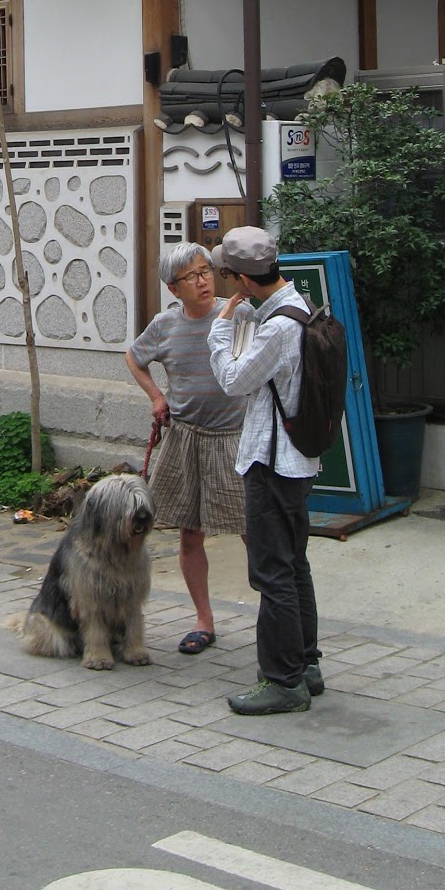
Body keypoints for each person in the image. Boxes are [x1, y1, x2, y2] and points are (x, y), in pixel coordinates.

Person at [207, 225, 323, 716]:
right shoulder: (300, 307)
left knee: (271, 572)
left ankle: (283, 681)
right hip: (297, 461)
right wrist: (246, 314)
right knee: (293, 565)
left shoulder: (279, 328)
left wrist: (220, 331)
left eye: (228, 275)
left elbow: (235, 379)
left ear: (242, 279)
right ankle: (305, 665)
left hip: (271, 463)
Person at [125, 242, 246, 656]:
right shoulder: (165, 326)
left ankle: (274, 616)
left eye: (206, 271)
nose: (202, 281)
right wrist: (156, 397)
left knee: (253, 530)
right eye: (191, 277)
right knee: (190, 534)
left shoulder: (237, 314)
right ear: (174, 289)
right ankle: (203, 620)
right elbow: (134, 358)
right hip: (186, 437)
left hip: (234, 438)